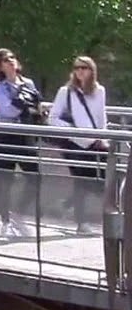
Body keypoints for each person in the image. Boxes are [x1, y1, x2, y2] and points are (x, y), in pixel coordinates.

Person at [48, 55, 108, 233]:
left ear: (92, 70)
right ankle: (81, 222)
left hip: (94, 142)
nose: (80, 71)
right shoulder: (66, 91)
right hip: (73, 143)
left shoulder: (99, 91)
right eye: (77, 68)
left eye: (84, 68)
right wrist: (73, 128)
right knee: (81, 179)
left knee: (100, 181)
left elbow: (101, 116)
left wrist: (102, 137)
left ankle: (68, 205)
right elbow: (53, 118)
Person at [0, 48, 43, 239]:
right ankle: (4, 222)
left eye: (12, 58)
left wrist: (32, 107)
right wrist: (22, 103)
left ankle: (19, 214)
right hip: (5, 136)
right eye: (5, 60)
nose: (10, 62)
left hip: (26, 135)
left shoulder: (28, 83)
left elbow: (36, 107)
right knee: (5, 180)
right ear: (0, 67)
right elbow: (7, 110)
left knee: (35, 177)